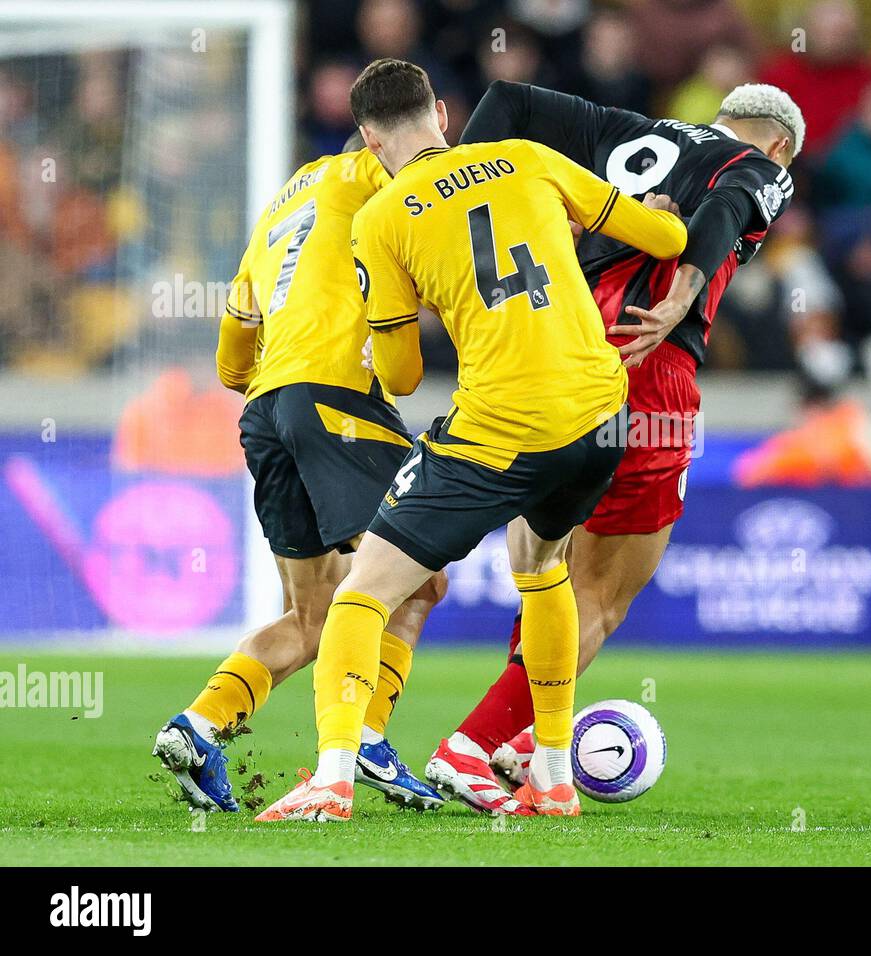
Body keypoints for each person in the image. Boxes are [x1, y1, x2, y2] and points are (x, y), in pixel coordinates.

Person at [254, 58, 686, 822]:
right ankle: (552, 778)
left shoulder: (380, 219)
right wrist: (653, 212)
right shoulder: (527, 158)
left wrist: (404, 303)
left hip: (504, 426)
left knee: (362, 594)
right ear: (443, 117)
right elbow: (663, 234)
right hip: (598, 416)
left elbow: (402, 375)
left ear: (369, 139)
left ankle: (331, 779)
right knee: (543, 564)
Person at [426, 78, 801, 813]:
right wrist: (681, 295)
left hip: (554, 354)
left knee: (548, 574)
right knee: (602, 594)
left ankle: (525, 746)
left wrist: (450, 193)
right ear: (779, 144)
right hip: (645, 365)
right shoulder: (758, 165)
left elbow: (508, 97)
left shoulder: (628, 128)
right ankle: (473, 748)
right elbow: (728, 210)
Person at [153, 132, 447, 814]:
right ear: (378, 149)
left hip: (265, 411)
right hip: (339, 400)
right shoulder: (372, 173)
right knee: (419, 582)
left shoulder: (276, 217)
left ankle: (199, 725)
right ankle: (366, 737)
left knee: (314, 616)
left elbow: (231, 362)